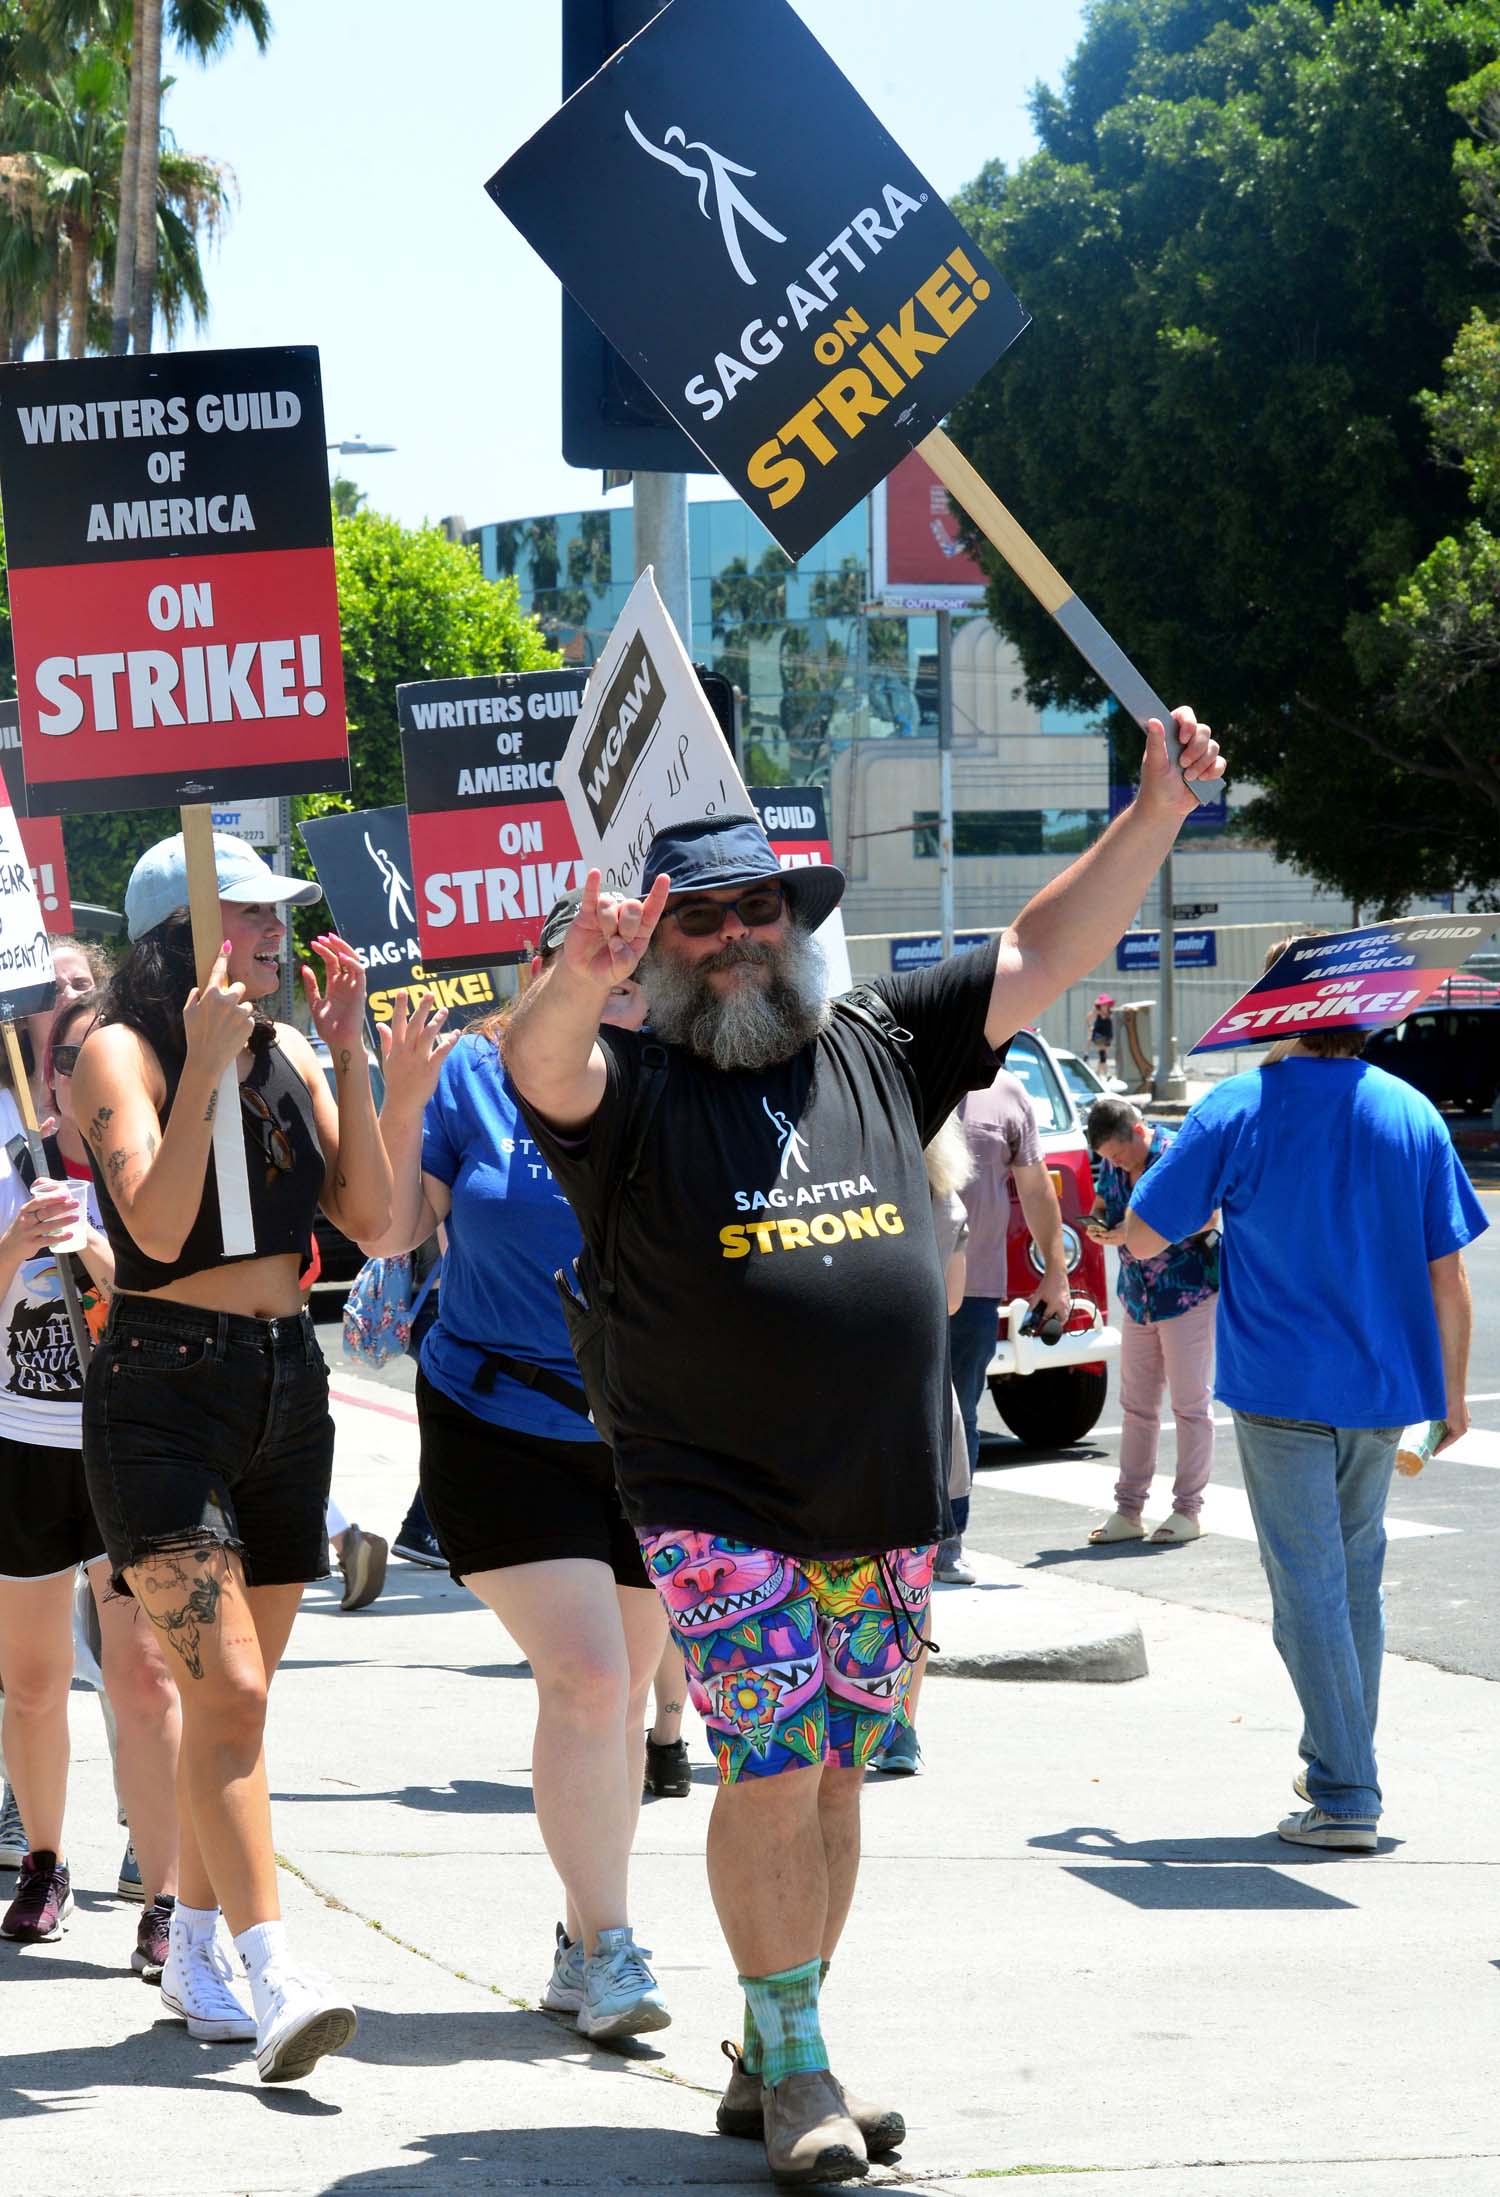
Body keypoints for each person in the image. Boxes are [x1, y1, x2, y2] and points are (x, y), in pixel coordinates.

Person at [502, 706, 1221, 2187]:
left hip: (886, 1499)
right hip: (716, 1498)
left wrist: (1153, 815)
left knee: (835, 1775)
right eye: (697, 920)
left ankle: (774, 2048)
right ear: (659, 948)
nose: (735, 936)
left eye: (757, 907)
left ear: (795, 920)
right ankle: (803, 2064)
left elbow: (1040, 950)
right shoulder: (633, 1097)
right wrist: (577, 981)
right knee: (769, 1764)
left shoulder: (886, 1042)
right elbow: (539, 1066)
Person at [70, 831, 391, 2082]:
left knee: (232, 1702)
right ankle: (272, 1968)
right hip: (159, 1393)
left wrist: (358, 1059)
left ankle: (195, 1945)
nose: (275, 934)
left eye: (276, 915)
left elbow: (369, 1221)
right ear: (181, 935)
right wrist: (201, 1067)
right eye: (249, 914)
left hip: (285, 1386)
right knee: (237, 1692)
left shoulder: (292, 1049)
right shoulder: (120, 1050)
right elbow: (149, 1223)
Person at [366, 894, 670, 2042]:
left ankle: (581, 1933)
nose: (613, 980)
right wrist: (398, 1095)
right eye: (588, 959)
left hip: (644, 1428)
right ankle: (609, 1947)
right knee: (591, 1678)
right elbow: (392, 1236)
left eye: (632, 965)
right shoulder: (471, 1079)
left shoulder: (670, 1075)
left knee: (622, 1695)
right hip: (496, 1416)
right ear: (536, 971)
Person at [1123, 974, 1485, 1850]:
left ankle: (1347, 1790)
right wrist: (1453, 1395)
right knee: (1354, 1578)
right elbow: (1451, 1275)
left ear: (1278, 1008)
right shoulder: (1410, 1111)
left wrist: (1210, 1210)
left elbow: (1141, 1232)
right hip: (1385, 1389)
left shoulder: (1237, 1107)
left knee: (1306, 1591)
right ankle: (1338, 1762)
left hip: (1280, 1384)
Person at [0, 988, 182, 1973]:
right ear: (46, 1070)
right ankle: (43, 1860)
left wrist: (92, 1244)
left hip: (124, 1442)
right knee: (30, 1684)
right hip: (21, 1444)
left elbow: (169, 1295)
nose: (78, 1072)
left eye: (98, 1051)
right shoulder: (8, 1163)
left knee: (144, 1677)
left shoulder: (142, 1165)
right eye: (63, 1055)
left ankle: (165, 1895)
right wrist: (17, 1243)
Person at [870, 1112, 972, 1777]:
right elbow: (954, 1300)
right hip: (924, 1395)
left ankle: (846, 1710)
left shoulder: (855, 1178)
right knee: (910, 1569)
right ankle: (901, 1724)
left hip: (846, 1394)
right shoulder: (944, 1192)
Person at [946, 1066, 1072, 1582]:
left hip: (974, 1286)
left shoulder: (1008, 1091)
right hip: (899, 1277)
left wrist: (1056, 1274)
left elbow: (1038, 1189)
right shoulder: (901, 1073)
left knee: (960, 1416)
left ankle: (948, 1540)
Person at [1085, 1095, 1218, 1545]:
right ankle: (1129, 1510)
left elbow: (1210, 1215)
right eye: (1107, 1159)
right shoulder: (1115, 1164)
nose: (1116, 1165)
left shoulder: (1178, 1155)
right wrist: (1100, 1225)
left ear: (1137, 1132)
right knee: (1137, 1408)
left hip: (1185, 1294)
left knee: (1189, 1405)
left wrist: (1136, 1234)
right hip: (1138, 1298)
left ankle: (1188, 1510)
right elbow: (1105, 1203)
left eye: (1119, 1155)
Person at [1089, 993, 1115, 1073]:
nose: (1105, 1006)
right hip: (1098, 1035)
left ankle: (1098, 1073)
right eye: (1103, 1004)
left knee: (1103, 1057)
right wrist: (1089, 1027)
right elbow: (1088, 1018)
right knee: (1102, 1055)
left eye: (1106, 1004)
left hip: (1107, 1035)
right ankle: (1106, 1074)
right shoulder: (1097, 1012)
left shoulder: (1110, 1013)